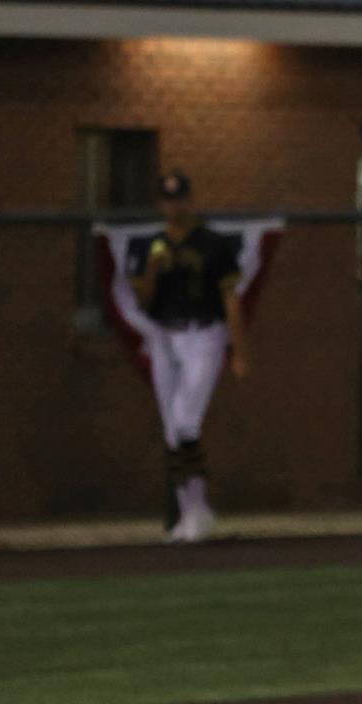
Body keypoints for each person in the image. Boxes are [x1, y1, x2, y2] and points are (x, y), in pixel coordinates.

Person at [126, 169, 249, 543]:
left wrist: (239, 350)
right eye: (167, 198)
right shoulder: (148, 245)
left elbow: (231, 298)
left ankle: (197, 511)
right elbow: (143, 299)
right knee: (172, 430)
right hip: (164, 335)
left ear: (190, 199)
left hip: (203, 334)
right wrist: (151, 269)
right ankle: (191, 512)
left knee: (185, 423)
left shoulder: (213, 244)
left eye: (179, 197)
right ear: (159, 203)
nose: (173, 205)